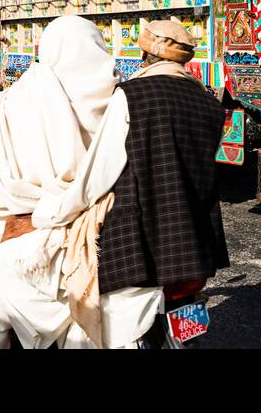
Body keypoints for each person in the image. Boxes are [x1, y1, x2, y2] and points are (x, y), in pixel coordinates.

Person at [0, 15, 136, 348]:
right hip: (94, 227)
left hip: (33, 230)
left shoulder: (23, 96)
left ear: (50, 49)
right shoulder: (120, 100)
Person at [97, 18, 229, 319]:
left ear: (146, 56)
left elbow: (105, 164)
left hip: (142, 243)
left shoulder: (129, 95)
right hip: (194, 244)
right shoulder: (209, 104)